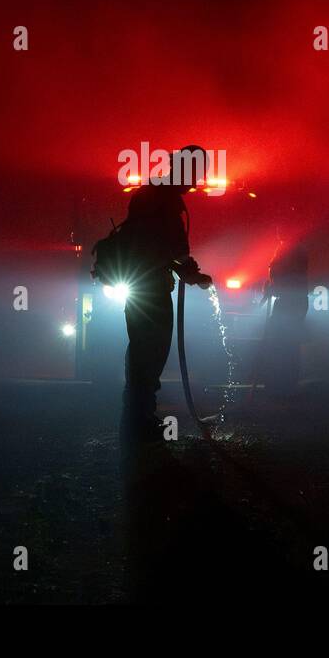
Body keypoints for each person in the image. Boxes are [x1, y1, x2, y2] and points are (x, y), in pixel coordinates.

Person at [119, 146, 213, 442]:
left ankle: (138, 417)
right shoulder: (163, 200)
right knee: (151, 351)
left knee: (143, 350)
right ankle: (140, 421)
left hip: (142, 284)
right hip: (150, 287)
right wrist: (190, 272)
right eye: (195, 174)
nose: (196, 183)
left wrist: (185, 269)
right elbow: (170, 247)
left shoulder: (152, 195)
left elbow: (161, 246)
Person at [258, 240, 309, 398]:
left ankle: (282, 386)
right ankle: (281, 384)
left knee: (283, 344)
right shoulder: (286, 251)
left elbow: (289, 281)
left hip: (291, 303)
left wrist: (273, 289)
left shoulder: (293, 252)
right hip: (290, 302)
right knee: (284, 344)